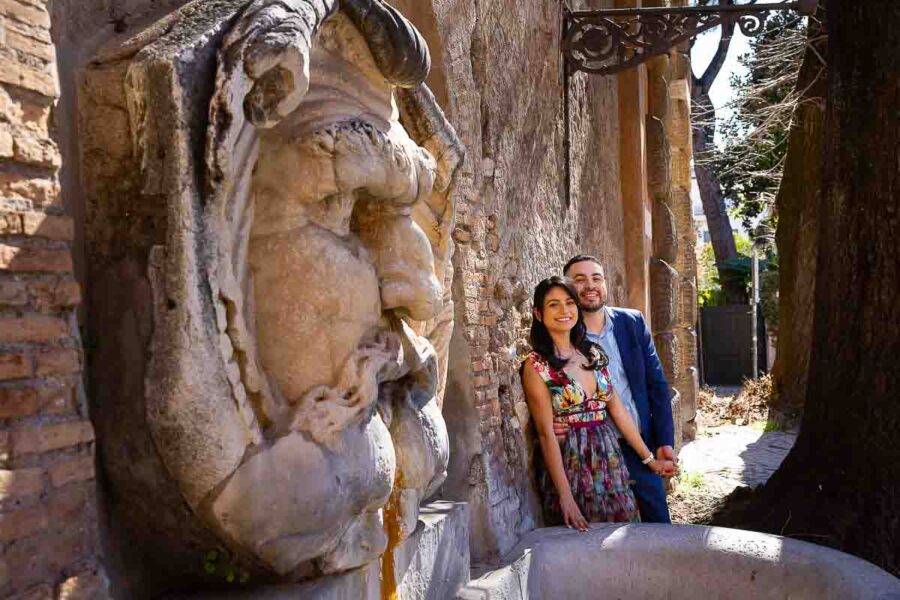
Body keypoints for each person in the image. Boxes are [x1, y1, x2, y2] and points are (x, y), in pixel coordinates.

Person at [521, 276, 677, 531]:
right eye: (553, 305)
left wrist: (650, 461)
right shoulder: (536, 366)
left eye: (570, 303)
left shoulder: (592, 353)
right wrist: (565, 498)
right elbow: (546, 434)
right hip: (573, 463)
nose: (564, 311)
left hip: (611, 464)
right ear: (538, 314)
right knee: (585, 541)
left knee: (624, 532)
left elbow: (618, 411)